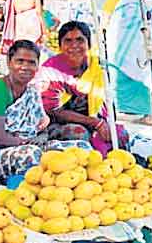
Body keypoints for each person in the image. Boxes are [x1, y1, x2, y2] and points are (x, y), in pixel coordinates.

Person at [36, 21, 129, 155]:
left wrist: (106, 123)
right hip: (56, 124)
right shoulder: (50, 70)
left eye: (80, 40)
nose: (74, 46)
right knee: (79, 134)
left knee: (119, 133)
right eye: (68, 41)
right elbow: (54, 111)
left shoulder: (98, 66)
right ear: (60, 46)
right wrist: (95, 123)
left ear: (88, 44)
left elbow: (108, 101)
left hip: (94, 119)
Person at [0, 41, 51, 180]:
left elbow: (42, 129)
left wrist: (41, 139)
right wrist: (26, 142)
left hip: (29, 144)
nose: (25, 67)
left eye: (31, 62)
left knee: (77, 148)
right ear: (9, 62)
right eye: (20, 61)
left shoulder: (32, 91)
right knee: (31, 156)